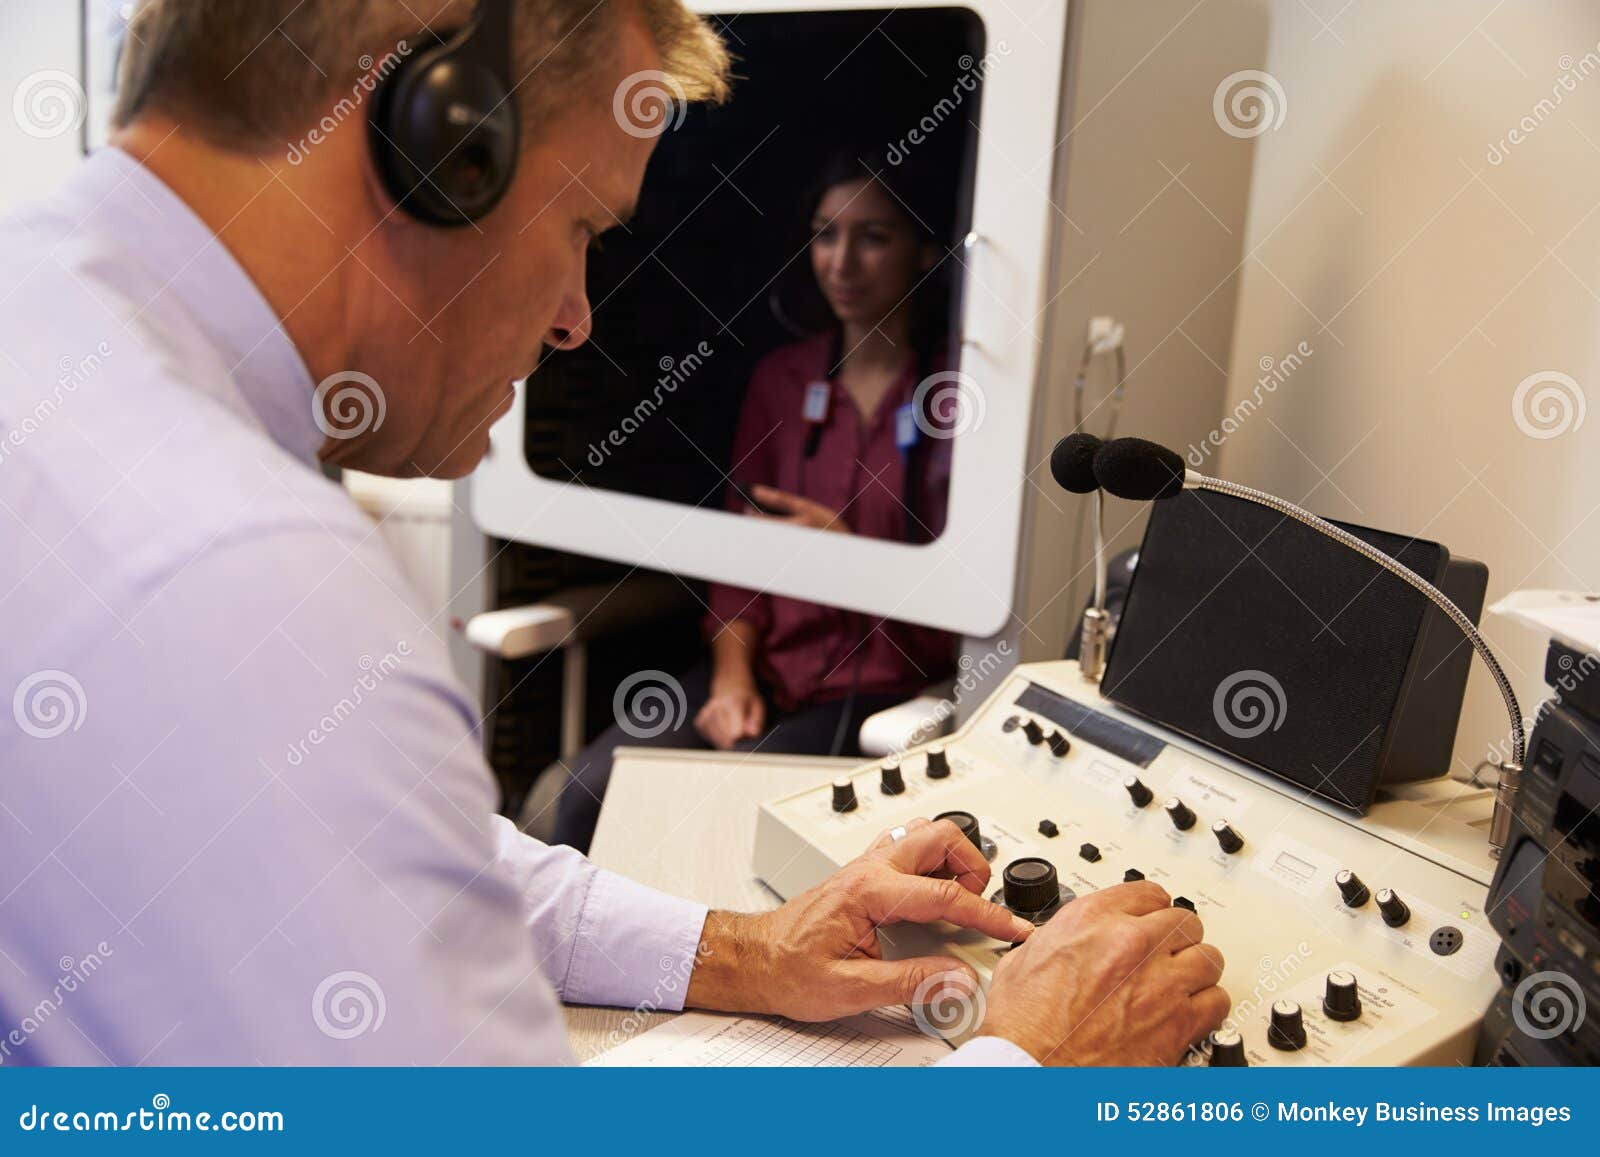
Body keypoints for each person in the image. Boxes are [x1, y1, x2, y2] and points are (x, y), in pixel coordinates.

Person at [0, 0, 1228, 1066]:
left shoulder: (55, 343)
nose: (579, 320)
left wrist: (748, 947)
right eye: (584, 226)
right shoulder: (241, 571)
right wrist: (1026, 1058)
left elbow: (389, 856)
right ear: (438, 141)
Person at [553, 153, 960, 851]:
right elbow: (739, 561)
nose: (842, 262)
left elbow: (959, 606)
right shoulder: (783, 378)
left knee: (723, 811)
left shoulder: (954, 396)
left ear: (923, 250)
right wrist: (732, 679)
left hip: (876, 691)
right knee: (592, 789)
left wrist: (848, 554)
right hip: (765, 667)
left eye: (873, 237)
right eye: (826, 234)